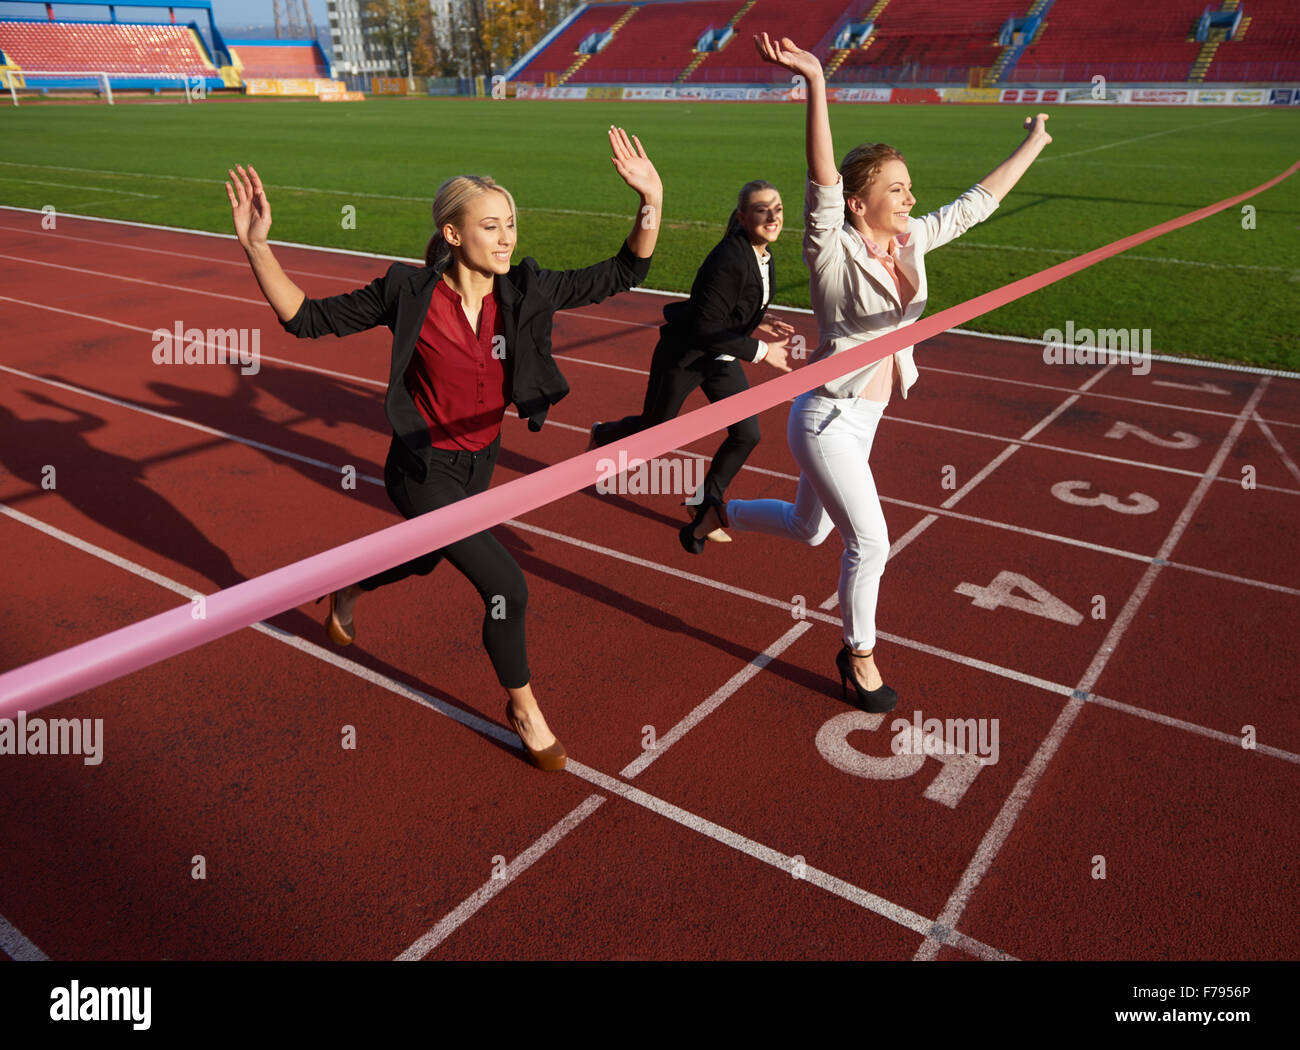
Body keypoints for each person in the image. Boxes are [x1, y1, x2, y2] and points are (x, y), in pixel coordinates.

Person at [225, 127, 663, 770]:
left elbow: (625, 271)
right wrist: (256, 247)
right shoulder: (408, 294)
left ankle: (348, 586)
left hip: (479, 464)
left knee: (426, 559)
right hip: (421, 469)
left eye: (511, 222)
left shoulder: (525, 290)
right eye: (491, 225)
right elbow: (305, 319)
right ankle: (524, 709)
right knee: (508, 587)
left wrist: (649, 199)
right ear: (454, 235)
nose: (508, 236)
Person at [690, 33, 1052, 712]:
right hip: (825, 417)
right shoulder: (831, 249)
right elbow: (823, 179)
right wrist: (815, 82)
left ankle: (716, 507)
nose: (911, 199)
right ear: (859, 205)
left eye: (911, 188)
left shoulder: (910, 240)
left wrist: (1034, 143)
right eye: (896, 190)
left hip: (867, 417)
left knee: (809, 528)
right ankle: (858, 658)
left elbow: (974, 205)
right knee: (872, 541)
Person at [587, 180, 796, 550]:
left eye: (777, 208)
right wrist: (762, 350)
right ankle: (604, 435)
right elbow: (703, 326)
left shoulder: (762, 254)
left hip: (721, 356)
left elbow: (729, 304)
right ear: (743, 217)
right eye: (762, 209)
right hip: (685, 355)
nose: (773, 216)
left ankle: (702, 506)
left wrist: (760, 320)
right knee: (655, 431)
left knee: (747, 433)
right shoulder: (729, 259)